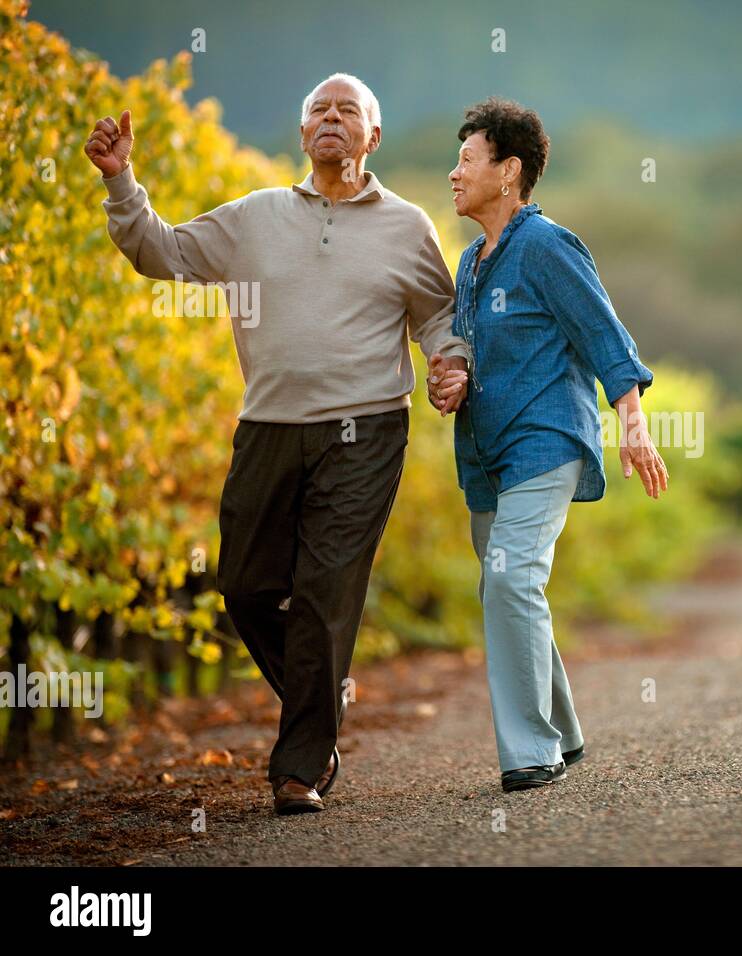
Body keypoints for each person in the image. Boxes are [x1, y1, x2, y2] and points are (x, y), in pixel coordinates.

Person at [84, 73, 471, 815]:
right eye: (319, 111)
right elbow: (160, 252)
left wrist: (450, 367)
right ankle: (321, 698)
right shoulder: (254, 217)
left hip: (366, 431)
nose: (331, 119)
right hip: (267, 427)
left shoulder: (407, 225)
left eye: (347, 111)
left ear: (373, 137)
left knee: (326, 593)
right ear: (303, 136)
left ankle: (299, 767)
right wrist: (121, 180)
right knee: (246, 586)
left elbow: (437, 319)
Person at [439, 97, 668, 793]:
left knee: (511, 578)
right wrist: (450, 380)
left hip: (547, 443)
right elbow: (471, 357)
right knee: (508, 586)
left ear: (508, 172)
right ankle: (563, 732)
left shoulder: (548, 246)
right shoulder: (471, 264)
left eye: (466, 160)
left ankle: (529, 753)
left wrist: (633, 423)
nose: (453, 174)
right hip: (486, 454)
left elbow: (604, 334)